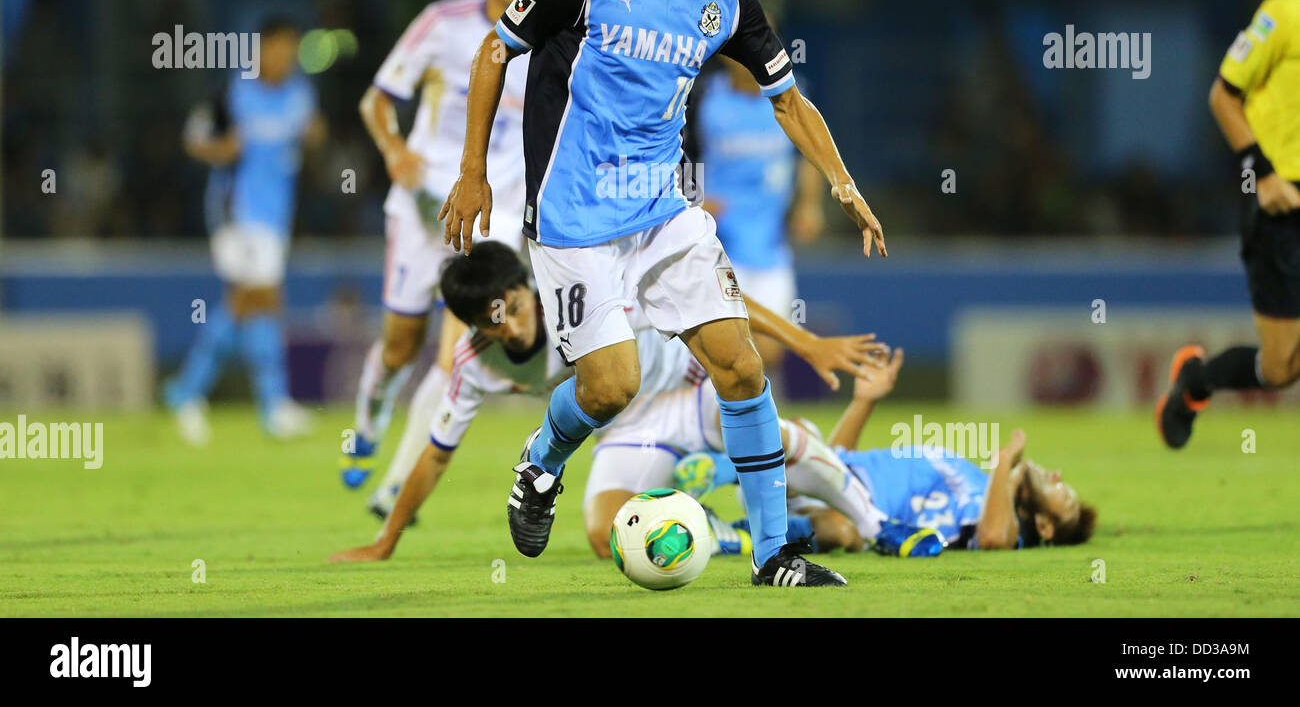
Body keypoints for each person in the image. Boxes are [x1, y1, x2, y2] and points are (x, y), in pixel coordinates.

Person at [440, 0, 887, 587]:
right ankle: (541, 465)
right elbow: (491, 54)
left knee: (741, 370)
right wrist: (473, 171)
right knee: (610, 386)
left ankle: (775, 553)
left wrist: (841, 183)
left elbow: (786, 97)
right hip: (575, 215)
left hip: (662, 210)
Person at [327, 241, 883, 564]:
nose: (516, 328)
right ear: (473, 328)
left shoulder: (585, 296)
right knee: (605, 535)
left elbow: (712, 301)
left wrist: (808, 344)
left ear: (528, 284)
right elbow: (438, 453)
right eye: (494, 321)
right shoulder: (475, 365)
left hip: (690, 391)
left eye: (517, 306)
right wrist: (387, 539)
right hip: (627, 426)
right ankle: (732, 529)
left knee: (749, 420)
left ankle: (849, 505)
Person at [342, 0, 544, 517]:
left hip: (493, 218)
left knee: (455, 354)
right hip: (424, 207)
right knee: (401, 347)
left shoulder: (555, 34)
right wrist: (393, 151)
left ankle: (395, 488)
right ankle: (367, 420)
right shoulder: (442, 23)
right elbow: (374, 100)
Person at [677, 350, 1098, 552]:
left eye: (1066, 498)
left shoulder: (989, 518)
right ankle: (730, 472)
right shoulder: (970, 475)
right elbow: (837, 458)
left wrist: (1007, 462)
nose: (1059, 479)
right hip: (819, 476)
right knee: (801, 433)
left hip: (829, 509)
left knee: (841, 530)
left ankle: (734, 531)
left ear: (1043, 527)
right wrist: (865, 402)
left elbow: (994, 537)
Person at [164, 16, 325, 442]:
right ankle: (222, 397)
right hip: (236, 210)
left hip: (274, 216)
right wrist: (222, 149)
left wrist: (315, 137)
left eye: (291, 50)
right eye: (279, 48)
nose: (285, 57)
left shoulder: (299, 95)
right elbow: (193, 138)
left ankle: (213, 396)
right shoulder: (233, 94)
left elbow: (313, 137)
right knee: (257, 299)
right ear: (261, 50)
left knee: (255, 307)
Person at [1160, 0, 1300, 448]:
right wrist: (1261, 173)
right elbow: (1223, 96)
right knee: (1282, 368)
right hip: (1281, 202)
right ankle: (1195, 382)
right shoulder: (1281, 15)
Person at [692, 52, 825, 373]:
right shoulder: (704, 96)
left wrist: (810, 204)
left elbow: (808, 152)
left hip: (770, 244)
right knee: (727, 348)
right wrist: (694, 201)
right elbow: (680, 151)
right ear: (727, 55)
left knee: (769, 351)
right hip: (718, 243)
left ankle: (747, 417)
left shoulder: (789, 97)